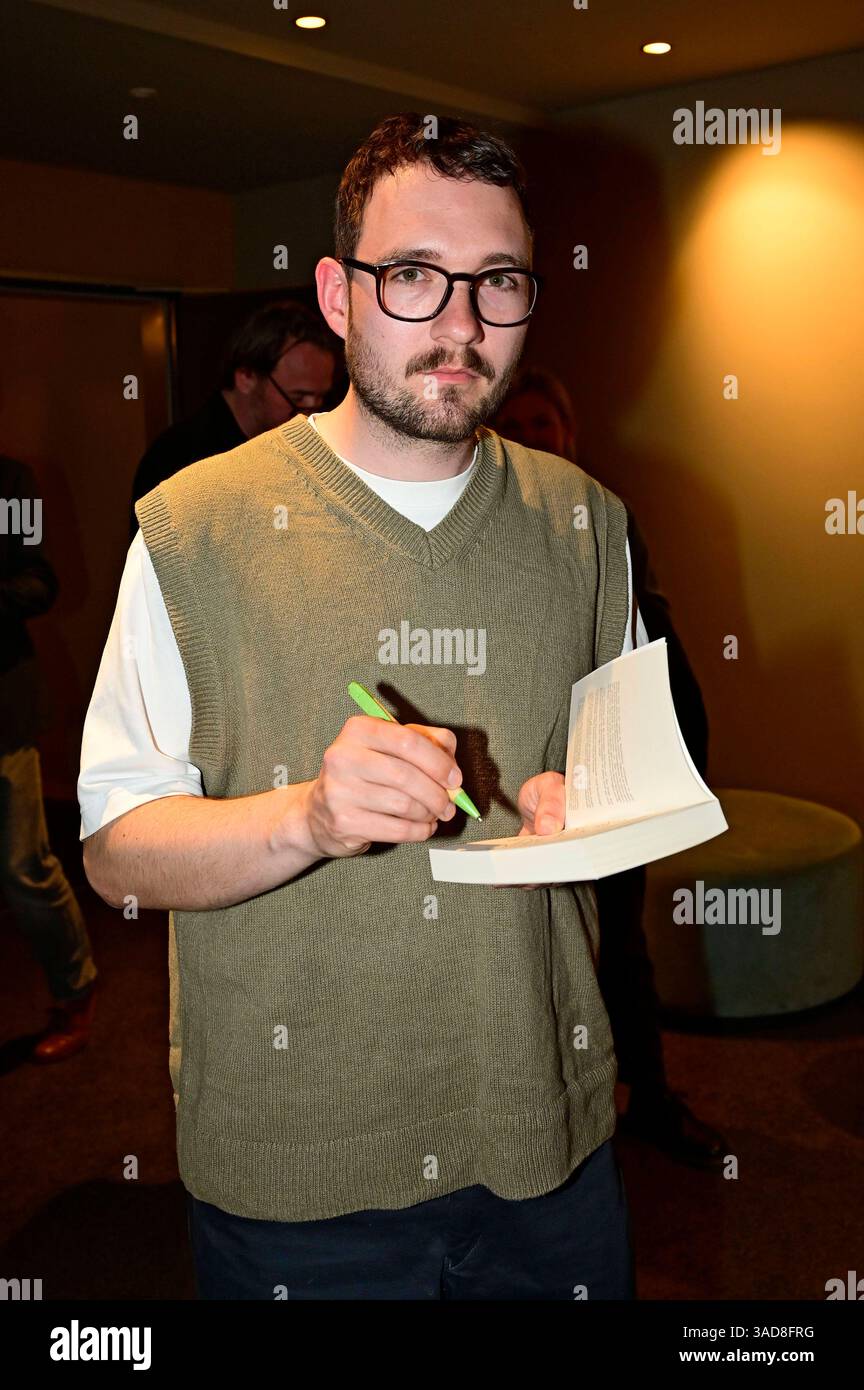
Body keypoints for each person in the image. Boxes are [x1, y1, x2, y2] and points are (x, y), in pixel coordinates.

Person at [79, 113, 651, 1300]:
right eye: (413, 277)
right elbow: (117, 854)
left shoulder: (588, 522)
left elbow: (623, 772)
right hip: (302, 1185)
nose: (460, 324)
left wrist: (581, 801)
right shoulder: (196, 531)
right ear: (338, 295)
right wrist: (309, 819)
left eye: (498, 282)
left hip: (549, 1136)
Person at [495, 368, 726, 1168]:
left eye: (544, 424)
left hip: (602, 764)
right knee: (525, 944)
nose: (532, 437)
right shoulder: (486, 523)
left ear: (569, 433)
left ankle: (648, 1096)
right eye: (515, 424)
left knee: (621, 943)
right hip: (516, 774)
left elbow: (646, 641)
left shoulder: (604, 518)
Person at [0, 453, 97, 1060]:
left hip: (2, 707)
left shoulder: (8, 480)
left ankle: (74, 990)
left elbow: (41, 580)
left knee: (21, 866)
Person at [129, 300, 340, 539]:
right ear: (246, 377)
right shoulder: (176, 459)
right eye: (298, 397)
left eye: (320, 398)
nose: (309, 414)